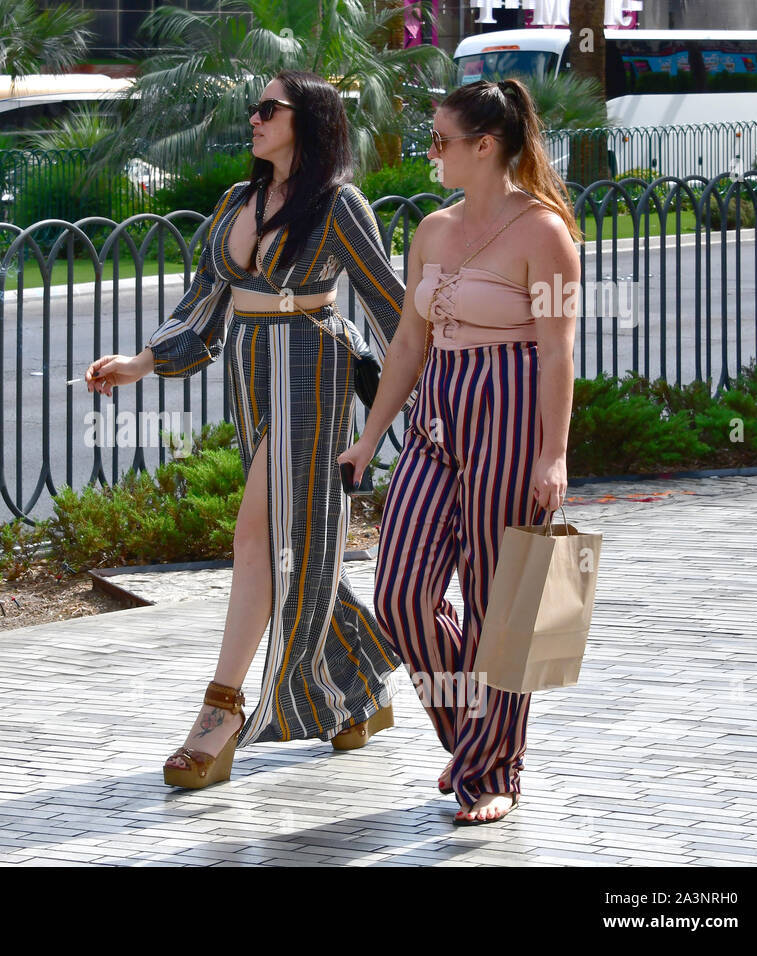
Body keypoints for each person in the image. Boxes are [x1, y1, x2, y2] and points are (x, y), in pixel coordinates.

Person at [87, 71, 406, 789]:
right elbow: (205, 301)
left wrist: (430, 402)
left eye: (268, 108)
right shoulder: (239, 200)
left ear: (308, 120)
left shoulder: (340, 203)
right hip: (251, 372)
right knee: (294, 539)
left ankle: (221, 711)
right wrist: (141, 362)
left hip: (311, 372)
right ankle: (357, 688)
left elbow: (391, 305)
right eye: (253, 108)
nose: (253, 118)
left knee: (256, 536)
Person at [339, 78, 580, 824]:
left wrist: (553, 454)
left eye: (440, 140)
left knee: (498, 603)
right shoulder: (433, 230)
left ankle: (494, 770)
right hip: (436, 416)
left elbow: (558, 349)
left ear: (485, 146)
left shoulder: (545, 233)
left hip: (509, 413)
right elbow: (408, 344)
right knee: (399, 593)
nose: (431, 151)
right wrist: (370, 437)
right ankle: (476, 737)